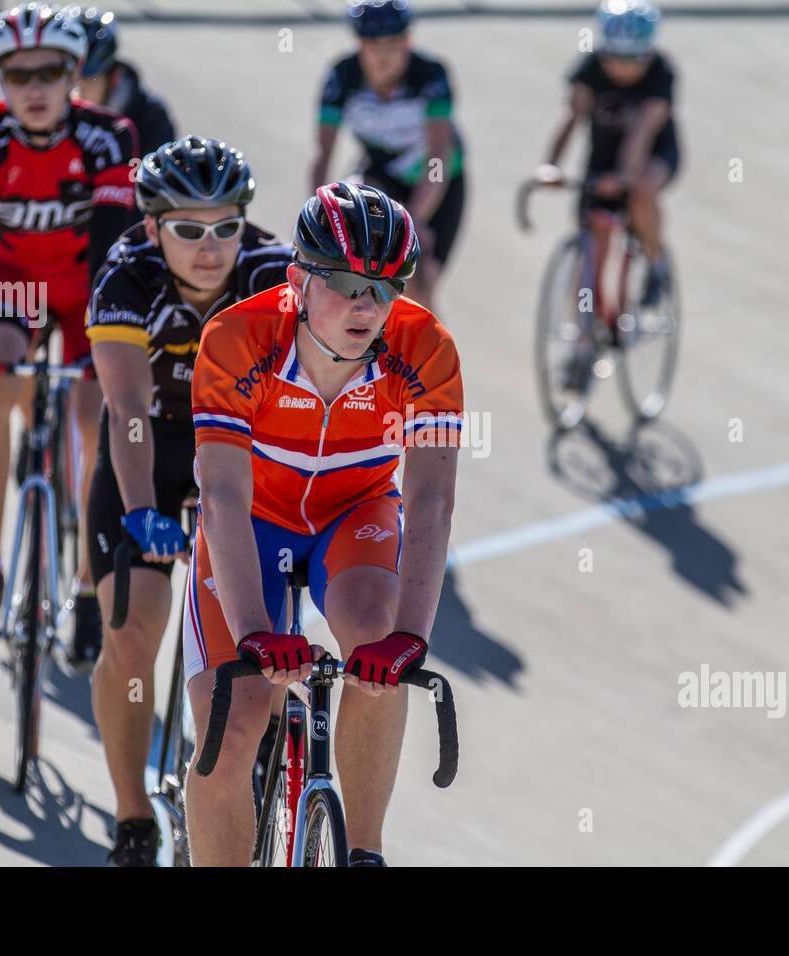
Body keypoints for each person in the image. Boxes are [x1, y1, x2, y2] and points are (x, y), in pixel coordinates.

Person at [185, 181, 463, 867]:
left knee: (376, 650)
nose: (367, 304)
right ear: (298, 278)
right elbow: (220, 493)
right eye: (343, 281)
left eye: (385, 284)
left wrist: (410, 638)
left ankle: (362, 852)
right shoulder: (237, 338)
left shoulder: (425, 348)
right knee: (237, 723)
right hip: (252, 518)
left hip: (354, 513)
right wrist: (254, 630)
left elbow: (430, 503)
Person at [84, 135, 294, 865]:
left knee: (257, 630)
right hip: (152, 445)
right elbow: (127, 408)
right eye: (188, 230)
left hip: (239, 450)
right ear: (151, 229)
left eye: (226, 227)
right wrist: (142, 509)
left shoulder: (275, 276)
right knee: (134, 635)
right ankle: (134, 814)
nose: (211, 248)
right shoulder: (125, 276)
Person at [0, 2, 136, 672]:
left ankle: (85, 588)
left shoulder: (110, 138)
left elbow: (115, 256)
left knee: (93, 414)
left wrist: (108, 355)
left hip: (87, 283)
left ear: (73, 73)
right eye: (16, 72)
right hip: (14, 278)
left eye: (49, 71)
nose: (32, 86)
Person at [310, 0, 465, 311]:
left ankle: (430, 353)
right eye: (374, 46)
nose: (384, 56)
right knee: (368, 265)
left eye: (393, 45)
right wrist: (315, 213)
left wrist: (417, 218)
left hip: (435, 178)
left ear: (408, 42)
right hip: (381, 174)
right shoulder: (342, 77)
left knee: (418, 288)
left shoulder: (431, 75)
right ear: (359, 45)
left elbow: (438, 155)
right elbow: (323, 153)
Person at [538, 0, 678, 309]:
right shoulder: (589, 68)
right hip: (603, 153)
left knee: (640, 190)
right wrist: (550, 165)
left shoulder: (660, 73)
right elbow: (571, 117)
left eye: (632, 58)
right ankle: (585, 337)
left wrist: (624, 177)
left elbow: (641, 131)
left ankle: (656, 263)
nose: (622, 67)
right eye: (614, 57)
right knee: (592, 247)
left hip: (653, 151)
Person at [70, 6, 177, 165]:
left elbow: (161, 181)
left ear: (114, 77)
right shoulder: (34, 116)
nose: (72, 92)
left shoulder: (150, 119)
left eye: (85, 81)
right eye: (62, 79)